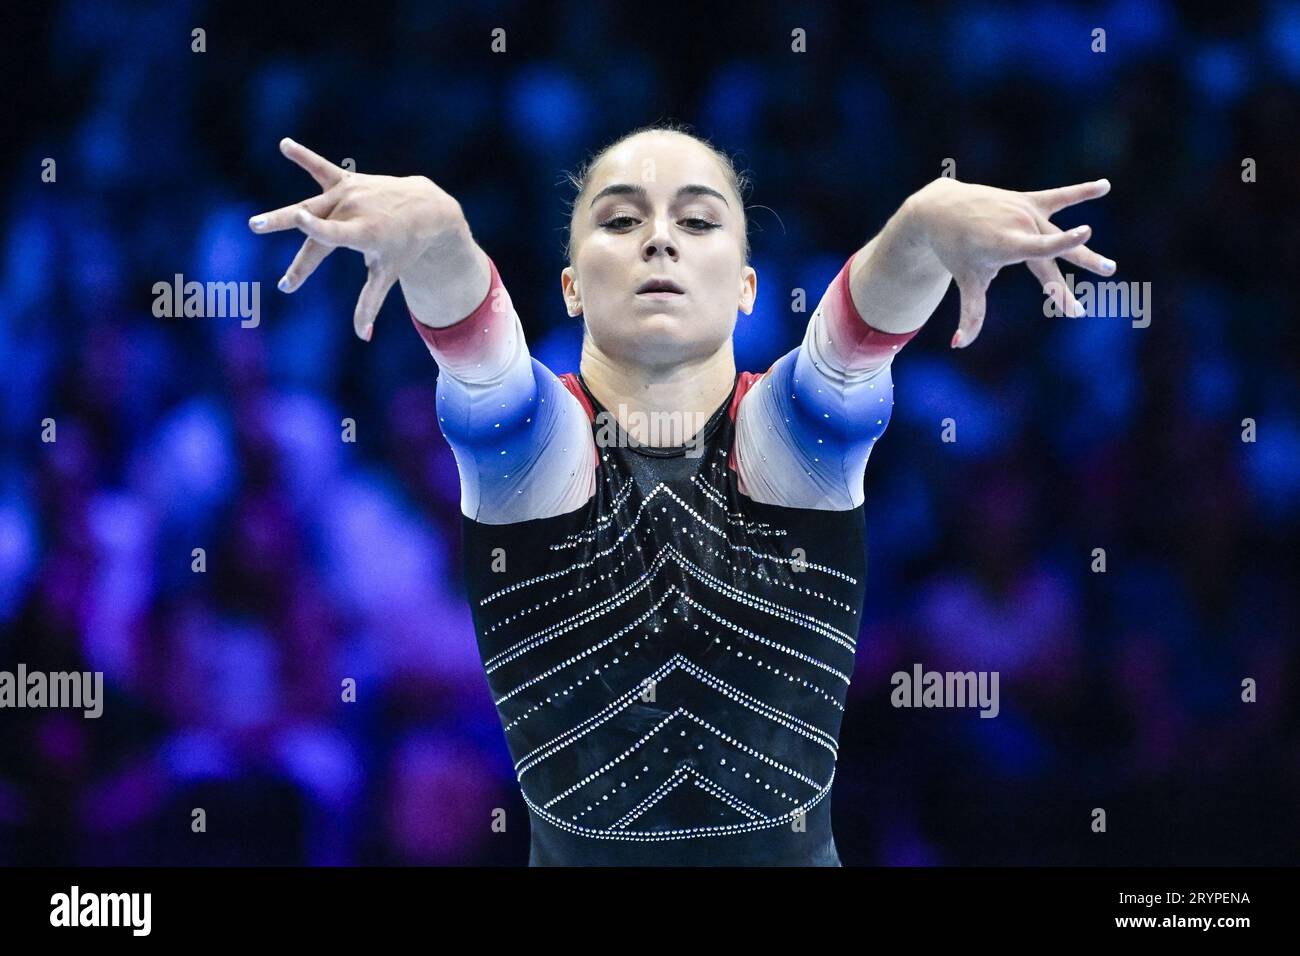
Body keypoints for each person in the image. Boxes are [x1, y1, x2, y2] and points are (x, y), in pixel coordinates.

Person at [249, 121, 1113, 865]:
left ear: (745, 289)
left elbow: (851, 348)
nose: (659, 239)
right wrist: (439, 239)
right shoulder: (541, 450)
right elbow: (483, 365)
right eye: (620, 219)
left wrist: (922, 229)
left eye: (698, 220)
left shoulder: (786, 442)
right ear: (572, 287)